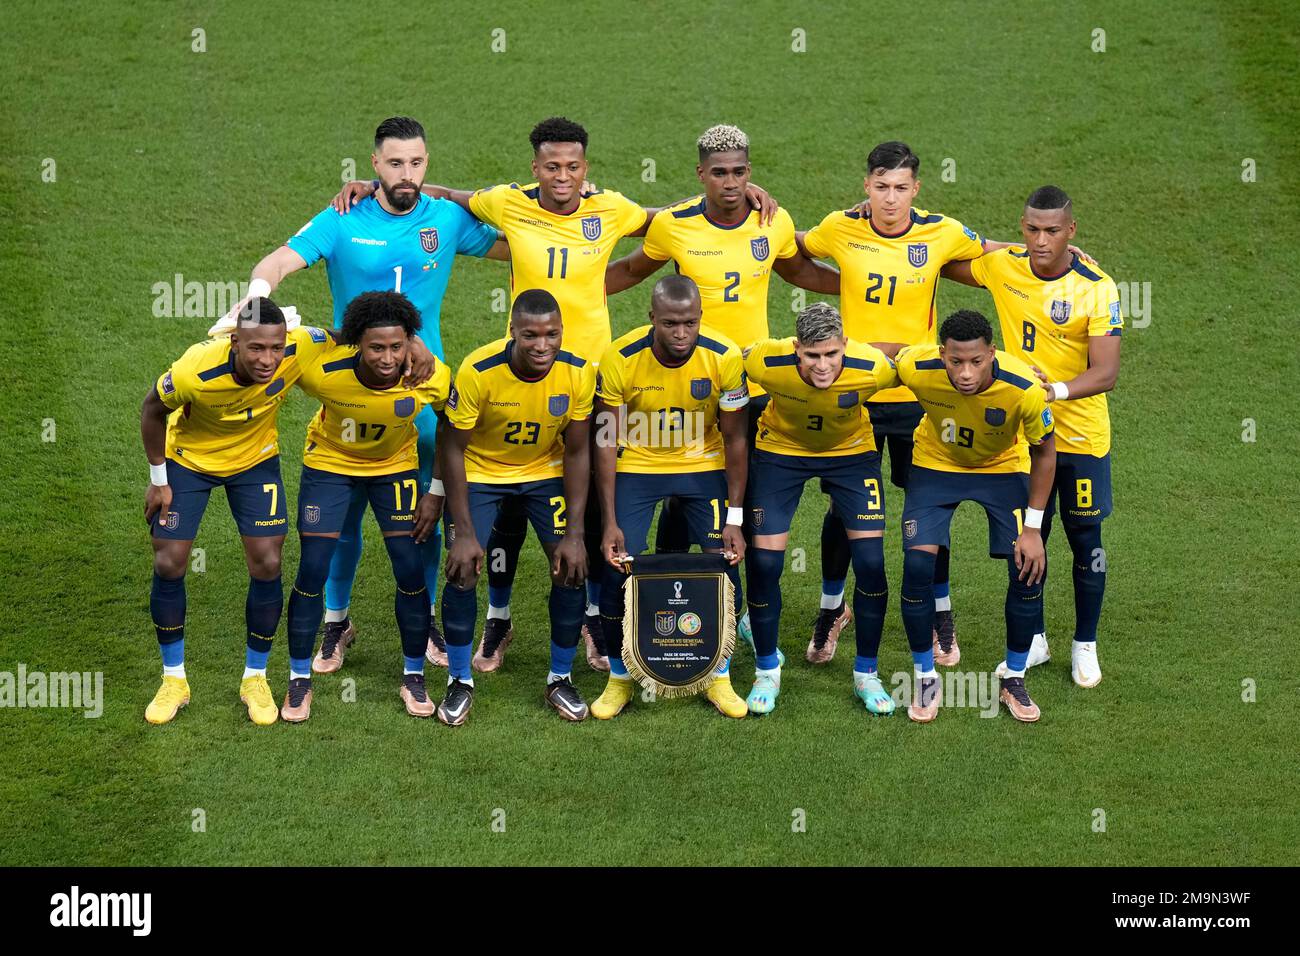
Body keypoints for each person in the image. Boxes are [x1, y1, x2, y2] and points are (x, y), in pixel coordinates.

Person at [333, 118, 777, 671]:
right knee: (512, 503)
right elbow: (450, 196)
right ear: (535, 168)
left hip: (591, 377)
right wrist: (374, 189)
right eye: (551, 166)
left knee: (585, 494)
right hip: (528, 369)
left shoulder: (610, 207)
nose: (562, 176)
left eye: (572, 167)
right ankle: (498, 617)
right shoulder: (508, 203)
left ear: (585, 169)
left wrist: (731, 191)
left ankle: (592, 615)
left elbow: (669, 219)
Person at [218, 116, 506, 674]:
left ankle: (421, 629)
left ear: (428, 163)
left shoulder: (446, 219)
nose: (407, 173)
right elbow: (278, 261)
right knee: (341, 515)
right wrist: (254, 301)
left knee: (426, 513)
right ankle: (335, 620)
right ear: (373, 165)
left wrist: (577, 207)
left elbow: (522, 244)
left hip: (422, 388)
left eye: (417, 163)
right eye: (395, 163)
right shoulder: (343, 217)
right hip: (352, 385)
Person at [604, 123, 840, 645]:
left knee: (745, 503)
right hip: (680, 380)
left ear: (750, 173)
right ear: (701, 176)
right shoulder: (674, 225)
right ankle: (662, 591)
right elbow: (630, 269)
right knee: (677, 488)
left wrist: (867, 281)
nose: (730, 183)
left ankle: (747, 611)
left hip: (749, 384)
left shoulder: (773, 222)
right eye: (718, 174)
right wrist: (569, 287)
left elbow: (801, 272)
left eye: (738, 173)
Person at [797, 141, 990, 664]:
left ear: (916, 189)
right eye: (881, 187)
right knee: (843, 505)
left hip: (921, 397)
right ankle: (833, 606)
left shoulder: (942, 232)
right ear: (866, 186)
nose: (890, 198)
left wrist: (1057, 255)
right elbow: (793, 250)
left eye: (901, 188)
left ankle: (938, 611)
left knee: (929, 505)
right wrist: (754, 199)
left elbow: (991, 252)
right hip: (855, 395)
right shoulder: (841, 227)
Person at [941, 185, 1122, 687]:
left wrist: (1054, 391)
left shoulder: (1097, 287)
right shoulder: (1005, 267)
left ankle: (1084, 645)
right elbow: (938, 257)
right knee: (1028, 538)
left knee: (1086, 539)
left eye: (1052, 231)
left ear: (1072, 231)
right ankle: (1034, 639)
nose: (1041, 241)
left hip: (1081, 437)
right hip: (1023, 437)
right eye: (1032, 230)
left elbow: (1106, 373)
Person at [140, 298, 332, 725]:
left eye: (275, 348)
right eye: (256, 349)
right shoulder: (195, 370)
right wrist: (159, 480)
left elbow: (345, 338)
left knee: (267, 561)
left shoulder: (300, 346)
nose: (268, 359)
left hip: (254, 461)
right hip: (190, 461)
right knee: (169, 560)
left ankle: (255, 677)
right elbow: (152, 409)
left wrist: (411, 346)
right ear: (234, 343)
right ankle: (174, 680)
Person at [281, 292, 452, 721]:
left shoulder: (427, 374)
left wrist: (435, 491)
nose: (388, 358)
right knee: (313, 566)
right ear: (357, 343)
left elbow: (453, 424)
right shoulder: (322, 372)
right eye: (376, 347)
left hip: (394, 467)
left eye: (397, 346)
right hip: (330, 465)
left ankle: (413, 675)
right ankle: (298, 680)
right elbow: (283, 339)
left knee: (409, 566)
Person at [589, 275, 750, 719]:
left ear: (701, 318)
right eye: (671, 324)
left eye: (690, 323)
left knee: (726, 567)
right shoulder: (620, 357)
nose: (682, 334)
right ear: (651, 319)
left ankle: (719, 673)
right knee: (618, 566)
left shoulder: (725, 356)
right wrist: (609, 520)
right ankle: (620, 677)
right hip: (639, 465)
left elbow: (736, 439)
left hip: (703, 465)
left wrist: (734, 517)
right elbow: (605, 439)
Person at [439, 290, 595, 725]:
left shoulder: (578, 373)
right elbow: (452, 450)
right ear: (512, 332)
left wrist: (576, 533)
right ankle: (459, 681)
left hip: (543, 474)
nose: (542, 345)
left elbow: (578, 452)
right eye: (530, 335)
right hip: (482, 474)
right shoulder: (478, 371)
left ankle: (559, 678)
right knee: (463, 569)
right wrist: (465, 533)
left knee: (570, 568)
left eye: (551, 334)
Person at [893, 310, 1057, 723]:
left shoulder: (1024, 389)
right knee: (916, 563)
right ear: (941, 354)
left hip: (1002, 469)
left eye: (976, 362)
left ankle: (1014, 678)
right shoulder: (919, 367)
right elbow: (888, 353)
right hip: (935, 465)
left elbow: (1045, 453)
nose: (965, 373)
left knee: (1026, 566)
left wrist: (1034, 529)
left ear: (992, 354)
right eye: (955, 361)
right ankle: (926, 677)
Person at [741, 303, 898, 715]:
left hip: (852, 456)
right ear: (796, 349)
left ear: (846, 345)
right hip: (781, 453)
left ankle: (867, 674)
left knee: (870, 564)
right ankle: (766, 671)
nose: (823, 365)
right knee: (765, 565)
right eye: (812, 355)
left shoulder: (874, 367)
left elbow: (922, 361)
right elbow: (723, 361)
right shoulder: (765, 361)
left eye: (832, 354)